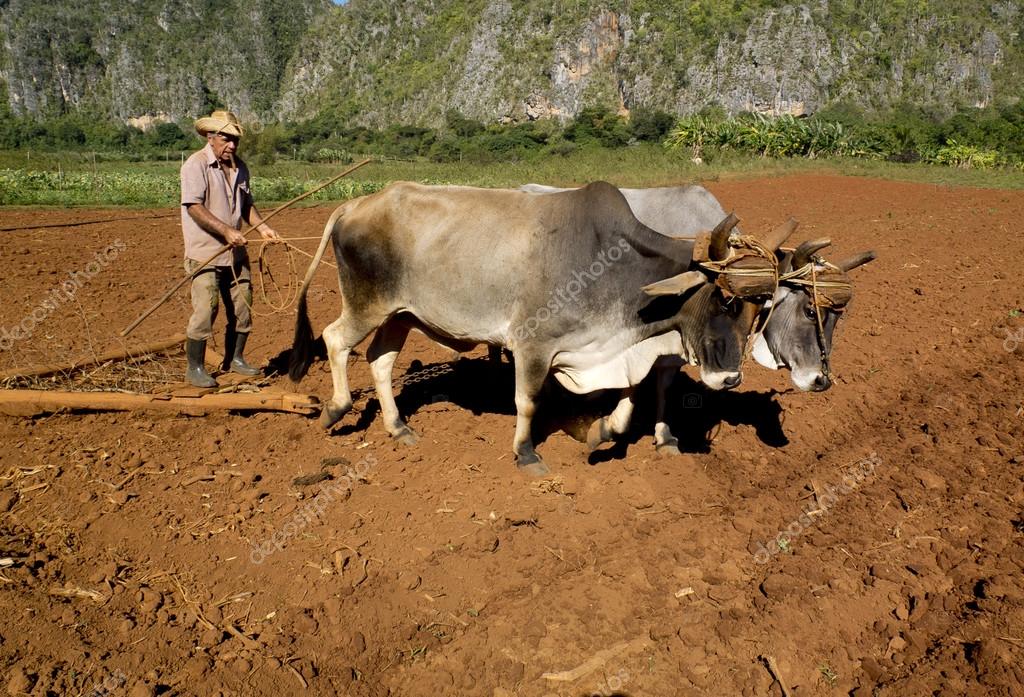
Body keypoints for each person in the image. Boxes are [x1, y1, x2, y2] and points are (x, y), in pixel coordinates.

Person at [180, 110, 280, 387]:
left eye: (235, 140)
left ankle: (235, 359)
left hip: (236, 254)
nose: (232, 145)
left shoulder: (241, 168)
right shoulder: (196, 165)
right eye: (226, 139)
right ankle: (195, 368)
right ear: (210, 137)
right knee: (206, 309)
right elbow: (194, 207)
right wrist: (226, 231)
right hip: (206, 253)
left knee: (243, 307)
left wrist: (262, 228)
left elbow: (246, 205)